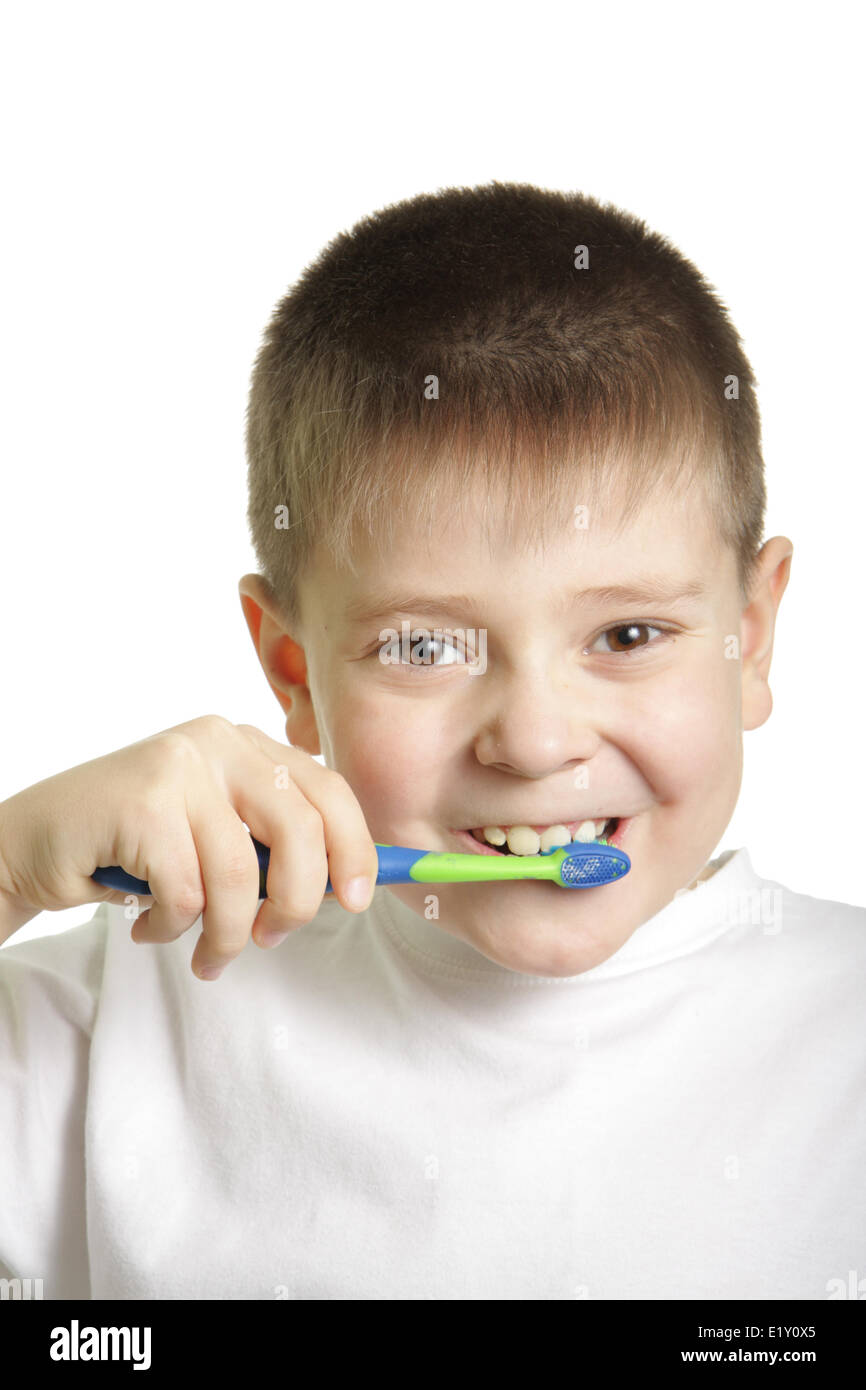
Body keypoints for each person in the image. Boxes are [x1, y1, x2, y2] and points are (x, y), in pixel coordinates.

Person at [1, 182, 863, 1300]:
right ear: (293, 672)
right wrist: (11, 862)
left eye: (627, 632)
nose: (537, 739)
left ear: (748, 641)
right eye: (422, 647)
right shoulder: (113, 1019)